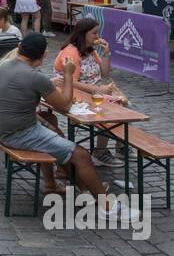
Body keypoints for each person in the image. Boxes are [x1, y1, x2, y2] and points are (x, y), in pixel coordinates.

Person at [0, 32, 134, 218]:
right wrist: (68, 74)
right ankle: (108, 208)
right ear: (42, 56)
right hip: (18, 134)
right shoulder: (35, 77)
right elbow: (65, 104)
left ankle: (85, 189)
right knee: (81, 155)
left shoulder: (5, 66)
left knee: (56, 131)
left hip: (3, 127)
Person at [54, 17, 126, 167]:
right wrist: (98, 89)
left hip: (94, 92)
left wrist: (106, 54)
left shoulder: (91, 51)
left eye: (98, 33)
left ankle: (120, 146)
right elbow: (71, 82)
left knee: (124, 105)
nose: (98, 37)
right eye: (94, 33)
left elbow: (105, 73)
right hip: (76, 95)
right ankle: (100, 152)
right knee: (111, 112)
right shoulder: (71, 52)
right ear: (83, 34)